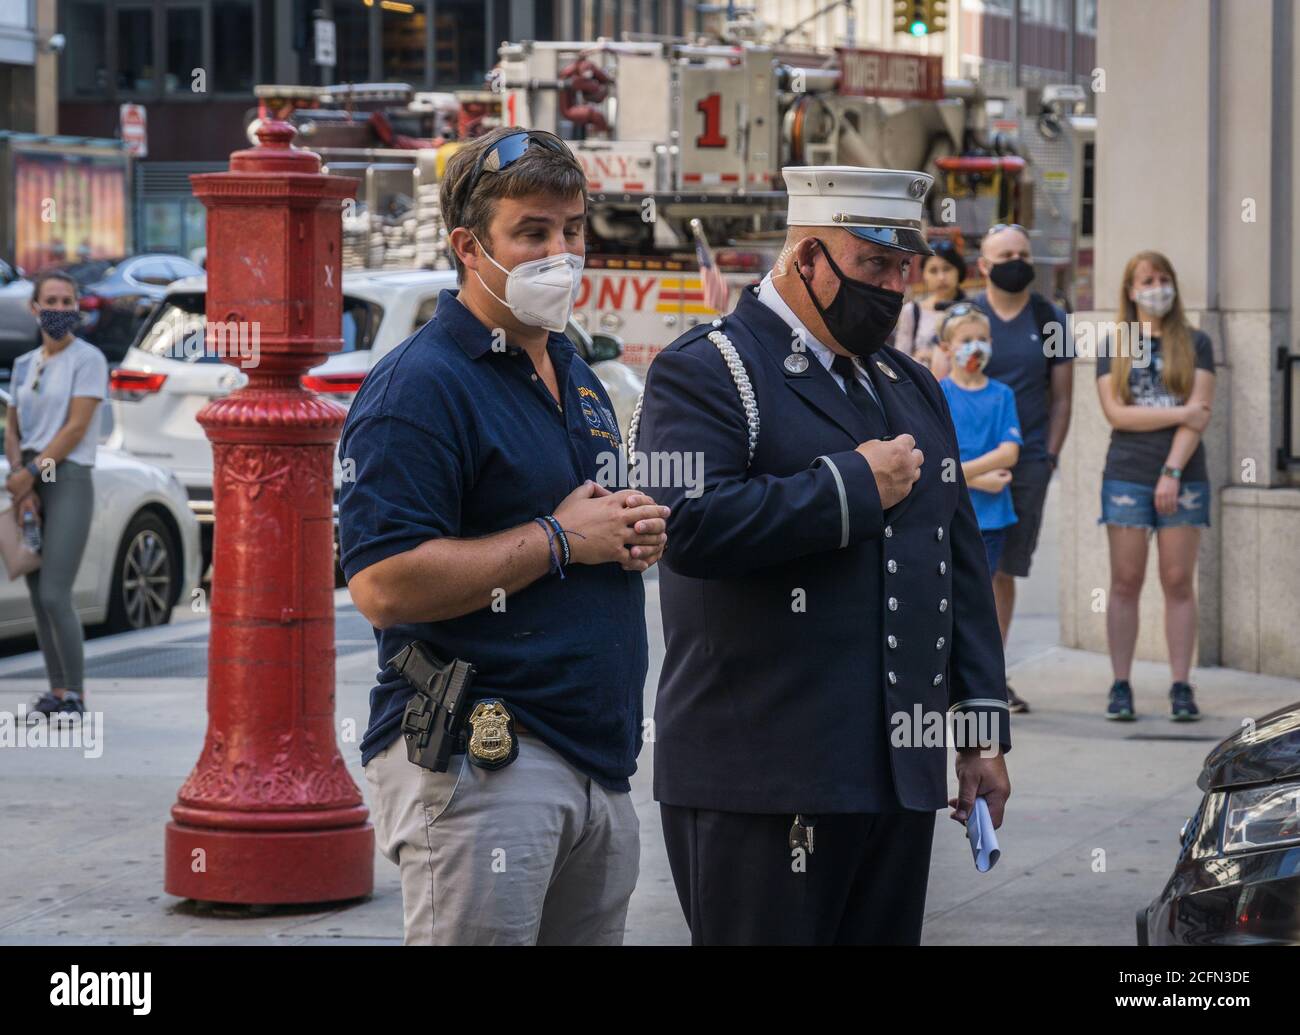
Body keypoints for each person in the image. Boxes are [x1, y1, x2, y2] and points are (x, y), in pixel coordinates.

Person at [635, 166, 1012, 945]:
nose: (894, 287)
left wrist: (978, 728)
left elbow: (957, 557)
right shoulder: (710, 368)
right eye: (874, 265)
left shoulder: (907, 381)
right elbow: (689, 524)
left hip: (898, 777)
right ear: (808, 257)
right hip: (765, 778)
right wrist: (852, 487)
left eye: (904, 268)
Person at [338, 127, 670, 945]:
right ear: (468, 245)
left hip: (598, 760)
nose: (561, 252)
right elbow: (381, 583)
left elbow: (577, 522)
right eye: (532, 232)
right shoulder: (419, 385)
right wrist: (560, 538)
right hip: (485, 760)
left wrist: (621, 532)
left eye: (573, 229)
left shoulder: (575, 371)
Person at [1096, 251, 1214, 721]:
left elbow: (1200, 415)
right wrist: (1179, 412)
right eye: (1147, 279)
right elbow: (1117, 414)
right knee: (1125, 582)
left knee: (1178, 581)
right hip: (1126, 472)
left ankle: (1181, 685)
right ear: (1130, 290)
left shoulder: (1196, 342)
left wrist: (1170, 470)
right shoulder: (1116, 343)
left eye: (1164, 278)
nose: (1156, 286)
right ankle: (1121, 684)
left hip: (1184, 476)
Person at [971, 224, 1073, 714]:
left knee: (1003, 570)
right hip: (967, 465)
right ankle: (958, 672)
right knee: (965, 564)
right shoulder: (967, 317)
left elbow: (1063, 399)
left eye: (1023, 253)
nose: (1016, 260)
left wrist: (1048, 457)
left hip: (1026, 464)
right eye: (1005, 254)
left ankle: (993, 675)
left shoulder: (1049, 318)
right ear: (984, 265)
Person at [7, 271, 108, 721]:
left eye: (68, 300)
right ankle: (56, 690)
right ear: (34, 307)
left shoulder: (89, 360)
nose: (60, 307)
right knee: (35, 589)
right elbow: (13, 425)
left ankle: (76, 696)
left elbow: (75, 427)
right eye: (51, 299)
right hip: (30, 479)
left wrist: (31, 472)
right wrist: (21, 478)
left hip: (65, 477)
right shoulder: (27, 363)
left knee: (54, 592)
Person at [935, 303, 1023, 574]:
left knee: (982, 591)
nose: (976, 346)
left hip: (991, 520)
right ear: (947, 348)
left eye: (982, 340)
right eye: (967, 340)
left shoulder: (1002, 395)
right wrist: (977, 479)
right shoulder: (938, 394)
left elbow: (1009, 453)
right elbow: (933, 459)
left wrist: (958, 475)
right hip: (949, 515)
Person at [893, 238, 966, 367]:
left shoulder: (971, 310)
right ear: (924, 275)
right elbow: (900, 362)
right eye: (933, 271)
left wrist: (936, 355)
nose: (941, 277)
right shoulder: (912, 311)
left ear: (958, 270)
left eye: (947, 269)